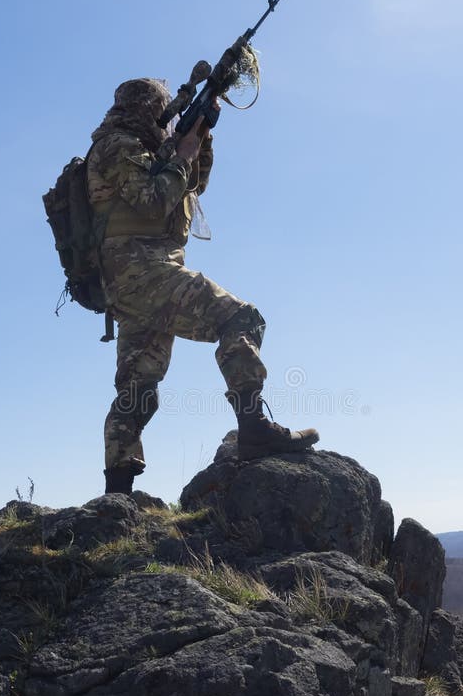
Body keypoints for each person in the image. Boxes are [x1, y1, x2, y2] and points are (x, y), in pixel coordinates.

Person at [86, 78, 319, 495]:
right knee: (241, 318)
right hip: (142, 274)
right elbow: (155, 199)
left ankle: (116, 497)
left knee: (138, 385)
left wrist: (200, 135)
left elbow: (191, 187)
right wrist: (182, 155)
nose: (166, 118)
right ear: (146, 107)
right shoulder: (116, 146)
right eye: (162, 109)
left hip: (139, 281)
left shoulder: (141, 147)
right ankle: (253, 429)